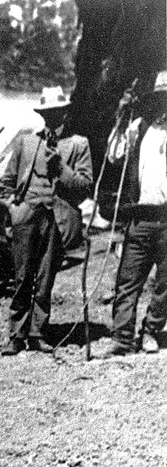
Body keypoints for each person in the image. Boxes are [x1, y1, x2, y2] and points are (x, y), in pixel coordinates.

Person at [0, 86, 93, 355]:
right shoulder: (26, 142)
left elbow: (85, 185)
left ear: (64, 113)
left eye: (57, 112)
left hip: (57, 218)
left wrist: (61, 169)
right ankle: (16, 335)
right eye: (47, 113)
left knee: (45, 279)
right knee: (22, 276)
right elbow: (7, 181)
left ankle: (38, 333)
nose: (52, 117)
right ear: (42, 114)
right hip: (26, 216)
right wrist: (13, 208)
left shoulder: (78, 144)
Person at [97, 70, 167, 358]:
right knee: (128, 280)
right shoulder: (138, 128)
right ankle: (122, 338)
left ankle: (150, 331)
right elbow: (114, 155)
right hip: (140, 217)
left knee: (166, 282)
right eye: (161, 99)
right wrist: (122, 117)